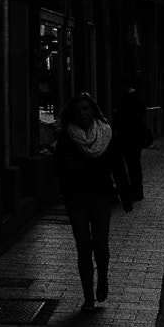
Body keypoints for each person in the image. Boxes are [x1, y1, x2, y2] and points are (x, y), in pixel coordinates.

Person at [55, 92, 132, 312]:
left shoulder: (106, 134)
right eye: (78, 110)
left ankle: (103, 279)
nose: (82, 114)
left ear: (93, 111)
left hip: (101, 195)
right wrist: (69, 166)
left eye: (86, 109)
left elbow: (117, 165)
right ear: (73, 112)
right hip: (76, 196)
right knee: (83, 246)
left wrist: (126, 198)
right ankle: (88, 296)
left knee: (100, 244)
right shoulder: (67, 136)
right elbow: (58, 166)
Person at [112, 80, 150, 203]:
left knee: (129, 164)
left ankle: (131, 190)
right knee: (134, 165)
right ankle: (137, 190)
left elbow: (121, 118)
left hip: (128, 137)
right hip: (135, 138)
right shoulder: (136, 99)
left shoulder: (127, 98)